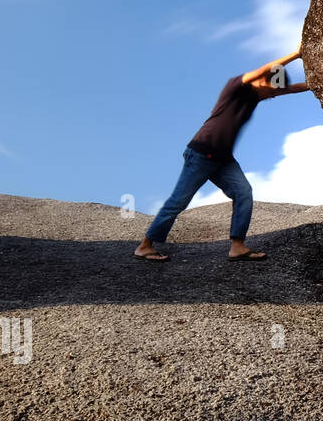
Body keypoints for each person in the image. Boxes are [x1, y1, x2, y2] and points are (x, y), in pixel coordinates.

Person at [133, 47, 310, 262]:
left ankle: (237, 246)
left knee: (243, 191)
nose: (273, 95)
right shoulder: (235, 86)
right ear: (262, 81)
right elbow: (266, 68)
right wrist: (296, 54)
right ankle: (145, 246)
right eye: (272, 91)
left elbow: (290, 89)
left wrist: (315, 86)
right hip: (200, 153)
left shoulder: (256, 97)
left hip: (223, 159)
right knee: (178, 202)